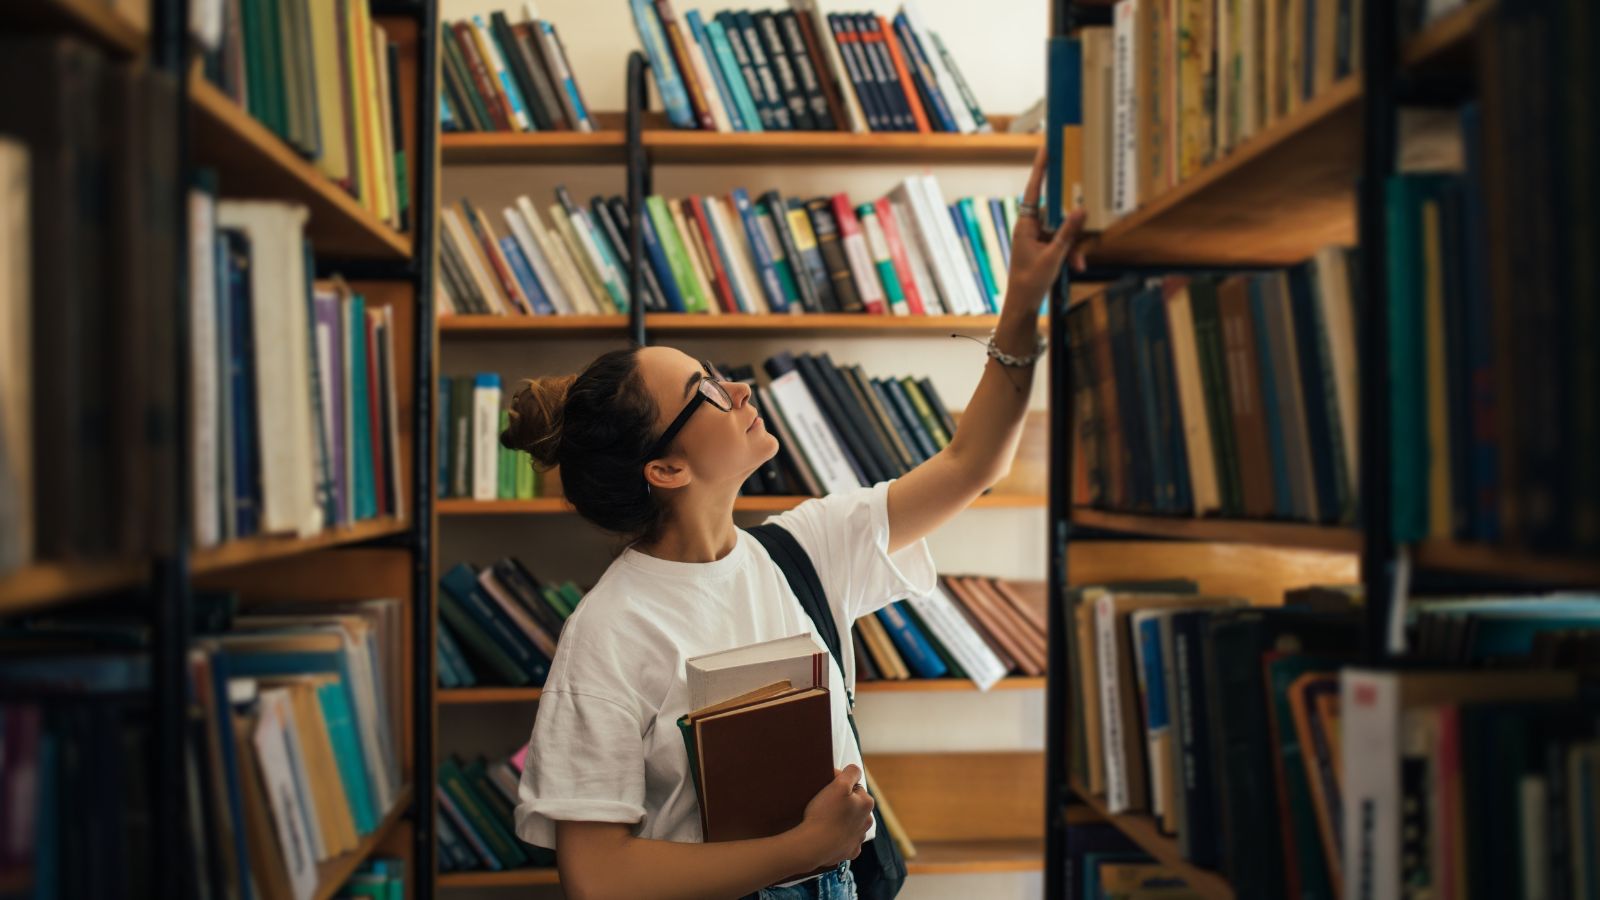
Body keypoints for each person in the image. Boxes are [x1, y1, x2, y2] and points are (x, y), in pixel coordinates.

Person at [503, 150, 1086, 900]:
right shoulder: (609, 630)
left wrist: (1024, 301)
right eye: (706, 391)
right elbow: (597, 875)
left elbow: (971, 463)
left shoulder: (802, 549)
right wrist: (803, 848)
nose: (739, 387)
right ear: (667, 469)